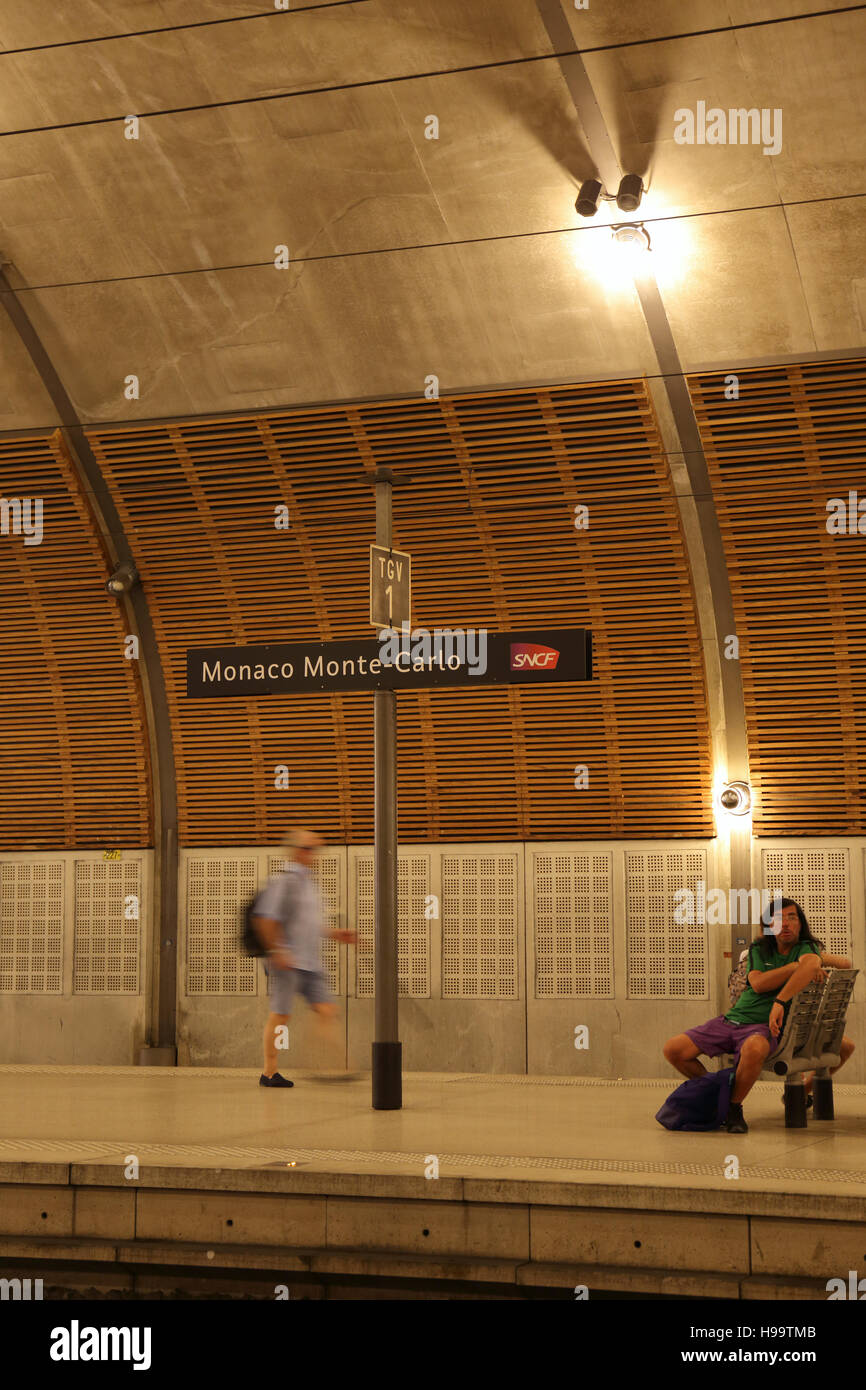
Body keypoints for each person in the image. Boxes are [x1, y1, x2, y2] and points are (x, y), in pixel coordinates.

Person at [663, 898, 855, 1133]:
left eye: (792, 917)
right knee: (674, 1049)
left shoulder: (806, 948)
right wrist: (797, 968)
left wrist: (789, 991)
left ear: (800, 923)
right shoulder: (758, 949)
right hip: (732, 1019)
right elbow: (759, 983)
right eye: (777, 919)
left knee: (756, 1048)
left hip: (764, 1025)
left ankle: (733, 1107)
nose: (785, 924)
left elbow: (836, 962)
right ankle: (718, 1094)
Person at [253, 827, 356, 1087]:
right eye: (310, 848)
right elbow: (264, 918)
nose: (315, 854)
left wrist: (335, 934)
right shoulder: (284, 880)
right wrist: (277, 951)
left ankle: (325, 1064)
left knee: (327, 1009)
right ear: (298, 851)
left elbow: (307, 924)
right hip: (288, 962)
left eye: (316, 849)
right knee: (280, 1015)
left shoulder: (310, 882)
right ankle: (269, 1072)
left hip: (311, 962)